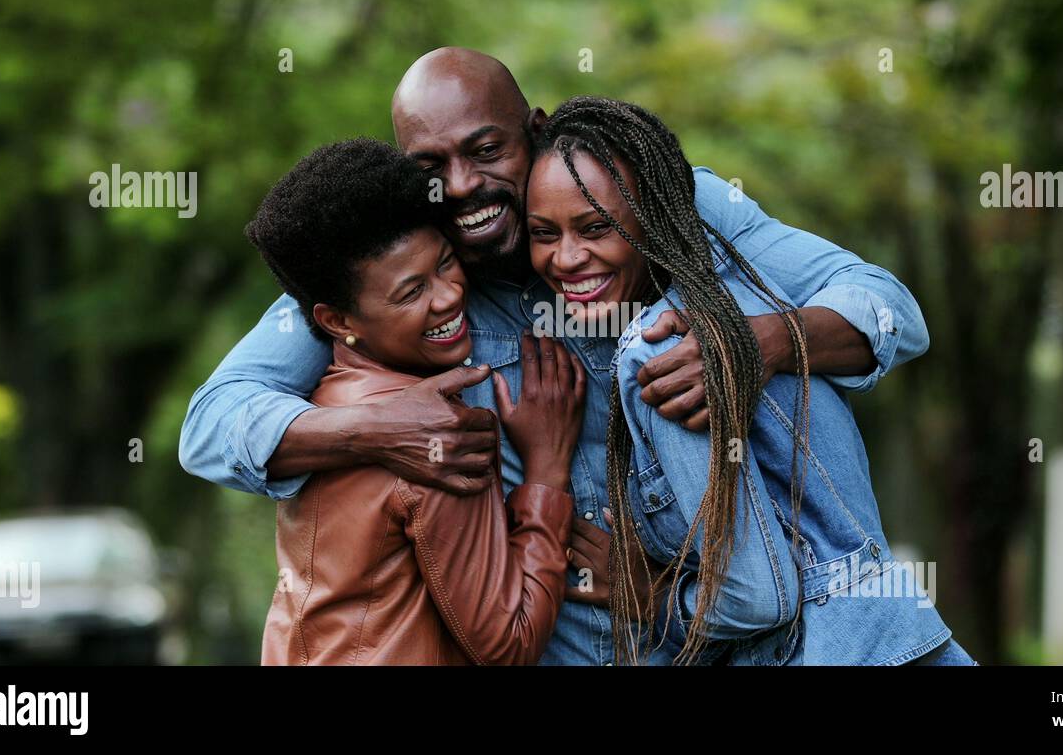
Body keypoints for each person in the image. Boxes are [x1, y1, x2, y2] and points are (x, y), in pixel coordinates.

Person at [179, 47, 932, 665]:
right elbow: (214, 423)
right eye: (431, 167)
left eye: (485, 149)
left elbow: (885, 304)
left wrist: (754, 343)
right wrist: (384, 428)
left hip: (714, 642)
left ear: (532, 130)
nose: (464, 185)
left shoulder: (666, 202)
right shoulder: (399, 276)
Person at [524, 96, 974, 665]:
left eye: (596, 228)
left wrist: (651, 595)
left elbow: (757, 599)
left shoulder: (664, 349)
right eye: (544, 233)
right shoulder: (737, 291)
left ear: (656, 216)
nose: (566, 257)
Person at [247, 137, 585, 664]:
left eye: (447, 263)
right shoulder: (436, 437)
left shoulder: (321, 402)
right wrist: (547, 470)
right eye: (411, 293)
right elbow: (509, 644)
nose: (449, 295)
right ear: (337, 321)